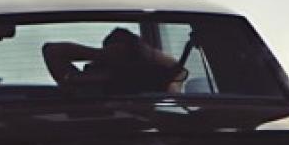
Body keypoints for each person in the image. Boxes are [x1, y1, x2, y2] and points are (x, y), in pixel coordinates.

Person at [42, 27, 188, 94]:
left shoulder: (87, 85)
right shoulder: (152, 78)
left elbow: (52, 51)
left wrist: (99, 54)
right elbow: (178, 70)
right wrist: (147, 52)